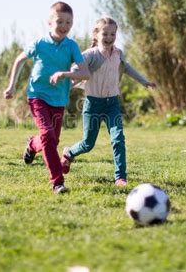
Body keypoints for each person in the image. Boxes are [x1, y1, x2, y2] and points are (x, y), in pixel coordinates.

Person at [3, 2, 90, 194]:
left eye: (69, 22)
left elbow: (85, 73)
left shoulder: (71, 46)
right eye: (60, 21)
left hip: (59, 100)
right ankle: (57, 182)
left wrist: (64, 74)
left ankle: (32, 145)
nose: (64, 26)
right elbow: (19, 60)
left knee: (51, 140)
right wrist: (11, 86)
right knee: (49, 138)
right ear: (49, 22)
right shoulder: (40, 44)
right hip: (37, 96)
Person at [61, 17, 156, 186]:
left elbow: (126, 68)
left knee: (118, 138)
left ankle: (120, 177)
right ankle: (69, 153)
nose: (109, 37)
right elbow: (76, 71)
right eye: (105, 33)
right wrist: (66, 82)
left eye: (113, 34)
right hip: (93, 104)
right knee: (88, 144)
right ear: (96, 35)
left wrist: (144, 81)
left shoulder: (118, 53)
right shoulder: (89, 55)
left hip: (112, 103)